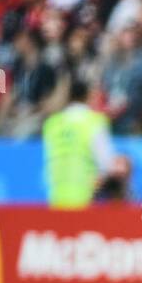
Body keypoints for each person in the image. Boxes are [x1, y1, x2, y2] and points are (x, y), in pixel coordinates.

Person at [42, 78, 114, 209]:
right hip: (85, 200)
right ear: (88, 96)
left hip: (56, 198)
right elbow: (107, 165)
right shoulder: (95, 122)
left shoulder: (52, 124)